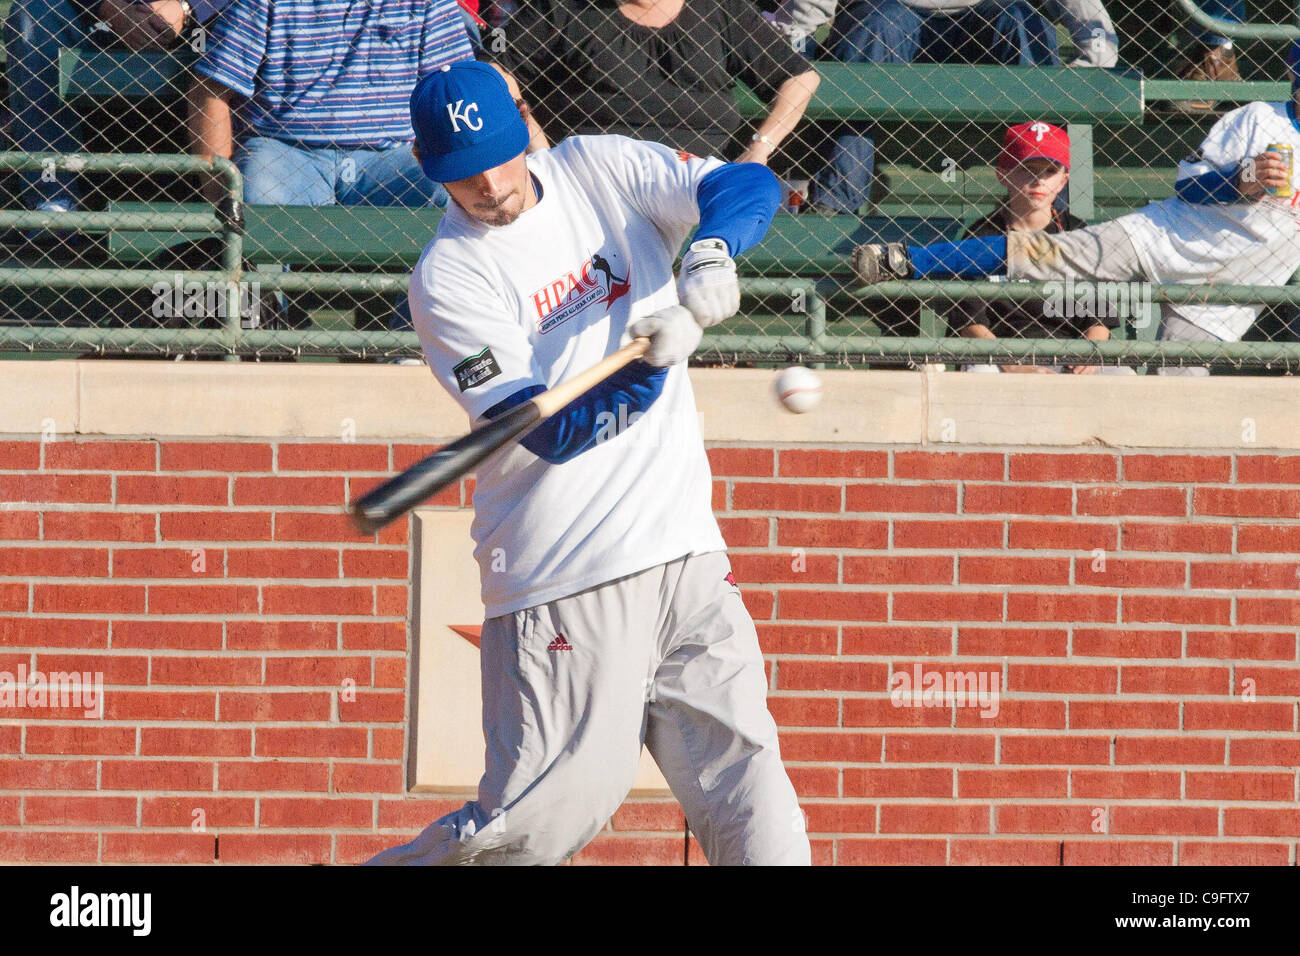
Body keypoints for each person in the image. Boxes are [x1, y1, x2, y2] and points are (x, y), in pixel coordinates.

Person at [365, 61, 810, 866]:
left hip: (687, 551)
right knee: (540, 827)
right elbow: (550, 432)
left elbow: (746, 187)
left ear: (524, 122)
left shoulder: (596, 166)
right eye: (462, 176)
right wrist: (651, 363)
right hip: (565, 570)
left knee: (749, 782)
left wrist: (710, 250)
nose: (489, 185)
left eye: (498, 157)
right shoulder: (449, 277)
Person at [851, 39, 1300, 377]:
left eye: (1050, 172)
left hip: (1223, 292)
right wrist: (1244, 178)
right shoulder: (1260, 118)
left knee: (1175, 394)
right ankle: (906, 260)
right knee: (1045, 254)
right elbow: (1188, 185)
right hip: (1162, 236)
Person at [801, 0, 1118, 216]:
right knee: (872, 24)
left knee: (1022, 21)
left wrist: (1097, 50)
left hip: (987, 20)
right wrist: (792, 43)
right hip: (890, 17)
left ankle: (1048, 214)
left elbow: (1092, 29)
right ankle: (834, 204)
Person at [488, 0, 820, 164]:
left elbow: (800, 78)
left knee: (755, 187)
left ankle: (704, 273)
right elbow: (495, 71)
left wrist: (759, 148)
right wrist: (540, 150)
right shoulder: (567, 8)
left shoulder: (720, 10)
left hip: (695, 184)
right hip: (592, 184)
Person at [3, 0, 231, 234]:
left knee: (241, 22)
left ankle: (228, 204)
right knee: (35, 10)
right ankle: (53, 200)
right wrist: (110, 8)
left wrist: (189, 7)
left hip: (199, 28)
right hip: (98, 25)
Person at [949, 121, 1125, 374]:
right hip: (1000, 353)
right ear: (1003, 174)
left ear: (1064, 180)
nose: (1039, 180)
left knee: (1121, 374)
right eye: (1026, 169)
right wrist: (1013, 364)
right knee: (981, 372)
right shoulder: (982, 235)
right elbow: (970, 323)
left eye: (1050, 171)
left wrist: (1090, 354)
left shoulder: (1078, 233)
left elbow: (1100, 319)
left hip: (1068, 351)